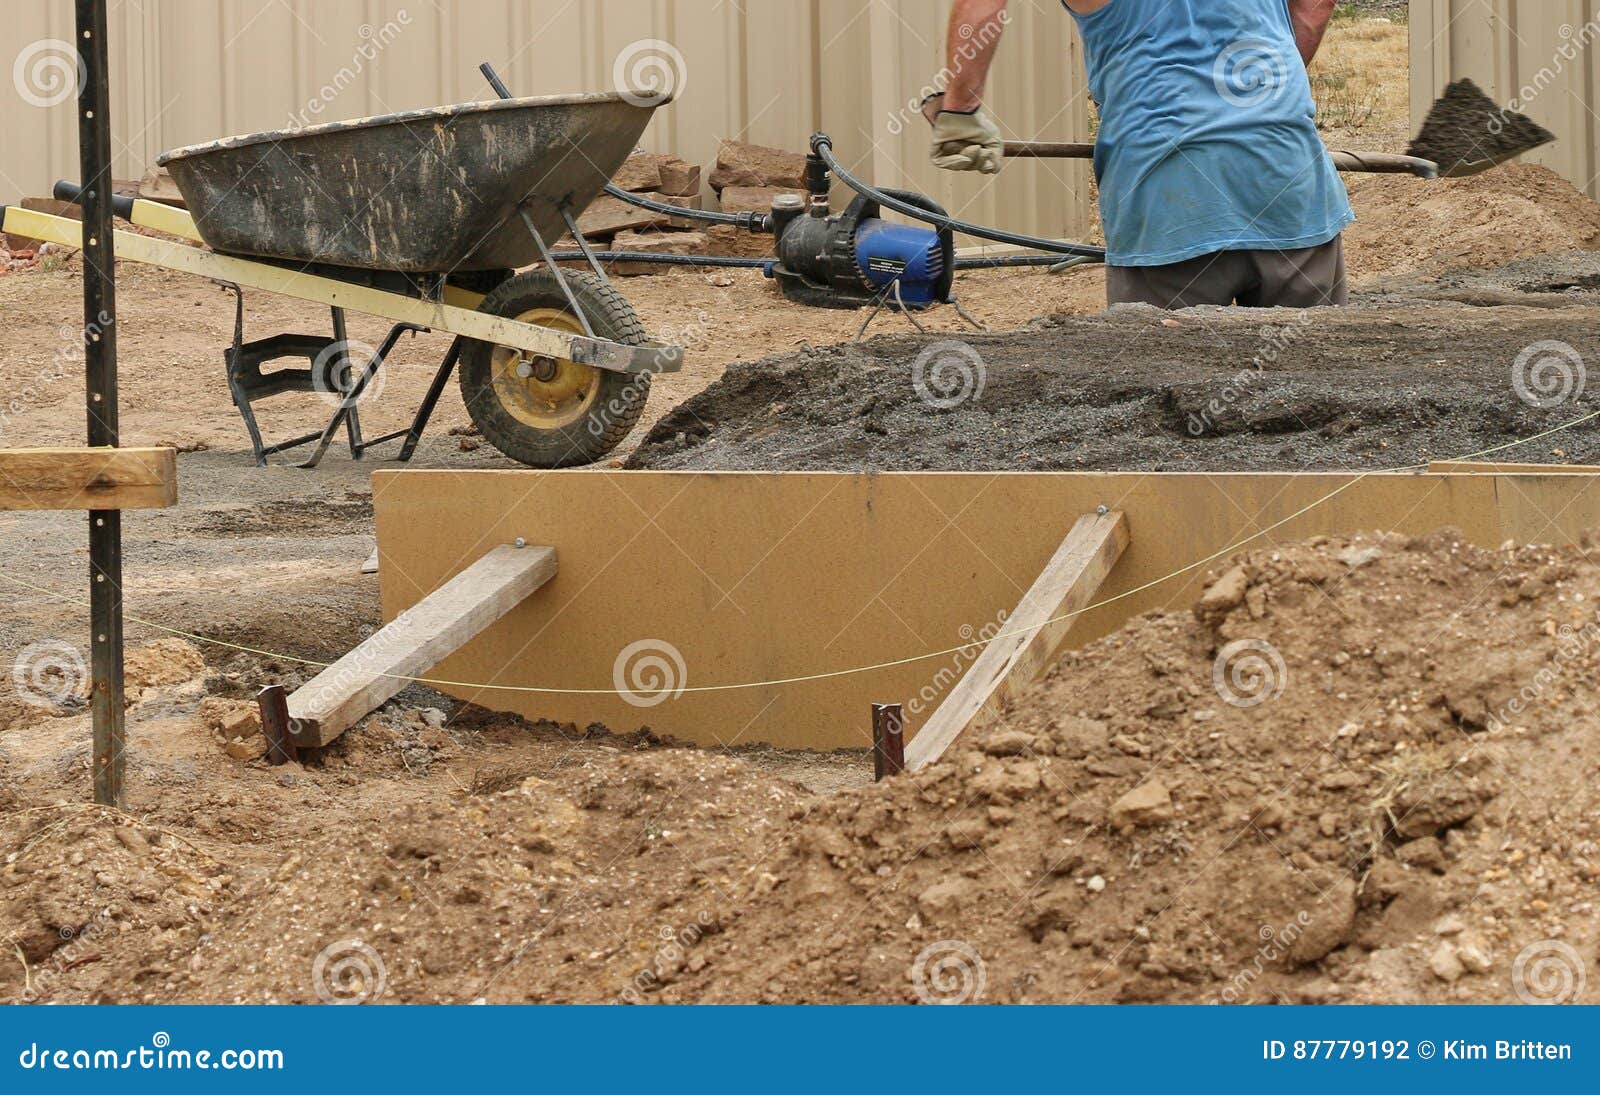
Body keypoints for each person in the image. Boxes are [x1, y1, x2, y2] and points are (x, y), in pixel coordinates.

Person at [928, 0, 1353, 309]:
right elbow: (1315, 6)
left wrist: (960, 109)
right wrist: (1257, 99)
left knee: (1163, 404)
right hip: (1287, 180)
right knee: (1306, 389)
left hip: (1166, 202)